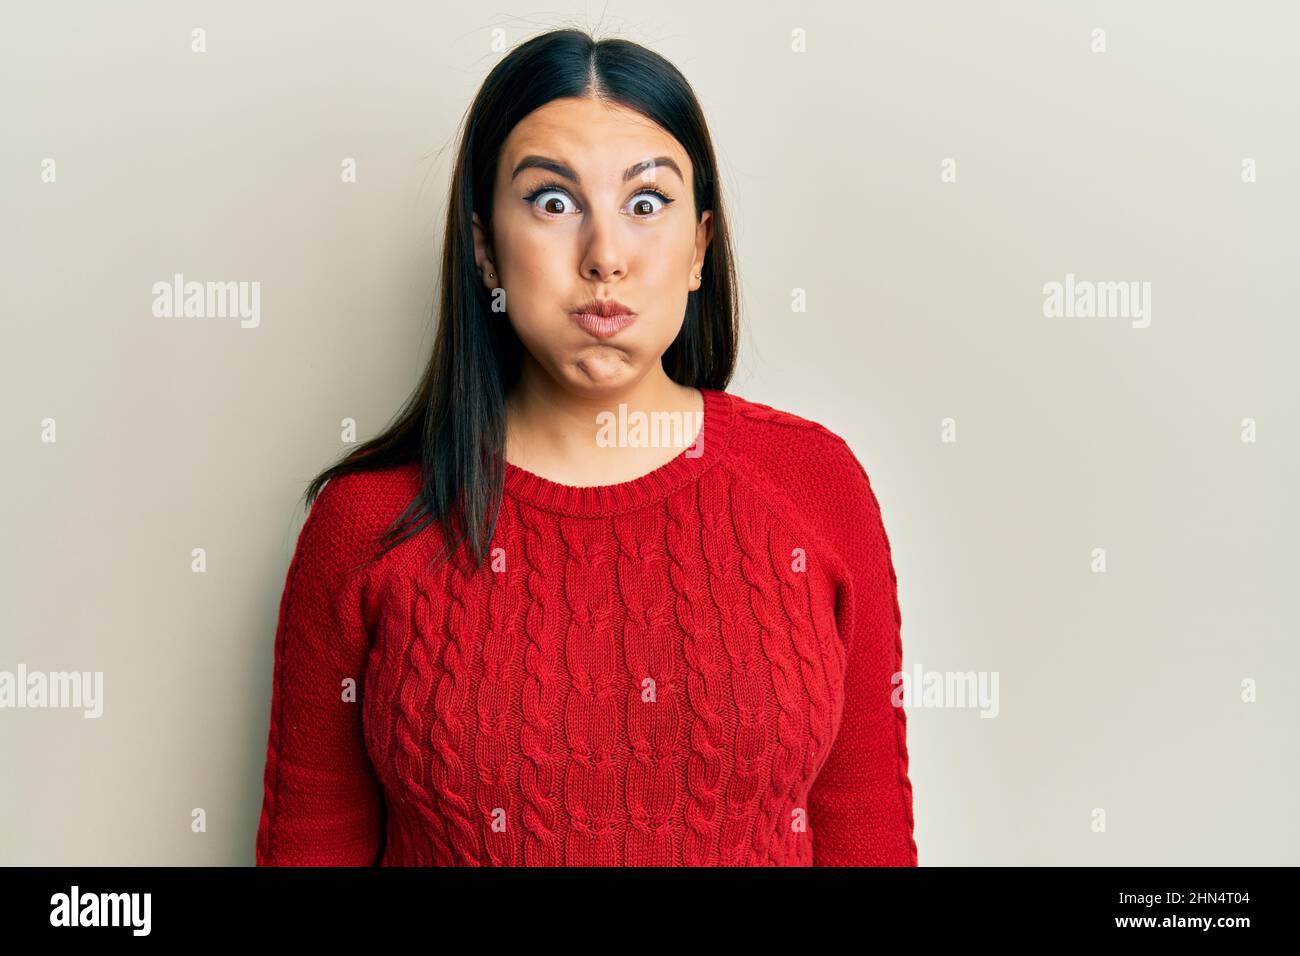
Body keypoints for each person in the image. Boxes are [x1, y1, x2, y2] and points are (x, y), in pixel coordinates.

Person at [254, 27, 917, 867]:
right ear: (485, 248)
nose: (605, 257)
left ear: (700, 249)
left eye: (646, 203)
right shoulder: (364, 530)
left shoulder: (814, 487)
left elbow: (867, 832)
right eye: (553, 203)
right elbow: (312, 848)